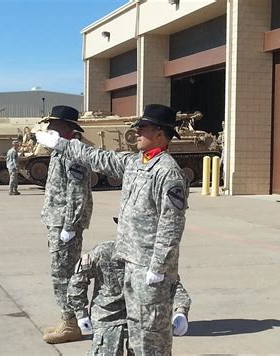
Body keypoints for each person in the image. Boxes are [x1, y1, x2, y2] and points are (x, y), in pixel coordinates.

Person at [37, 104, 189, 355]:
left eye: (144, 127)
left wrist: (159, 268)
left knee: (150, 340)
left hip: (148, 268)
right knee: (135, 333)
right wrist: (62, 144)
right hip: (129, 261)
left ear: (160, 133)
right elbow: (97, 157)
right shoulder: (135, 162)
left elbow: (171, 226)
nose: (136, 131)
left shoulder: (167, 173)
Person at [68, 239, 191, 356]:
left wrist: (181, 311)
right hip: (108, 315)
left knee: (150, 349)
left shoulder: (152, 257)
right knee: (107, 350)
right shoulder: (103, 252)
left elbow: (174, 284)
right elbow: (77, 281)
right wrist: (80, 313)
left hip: (142, 315)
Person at [40, 105, 94, 344]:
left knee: (63, 274)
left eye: (53, 124)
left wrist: (70, 226)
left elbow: (77, 192)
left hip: (65, 223)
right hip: (57, 220)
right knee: (61, 272)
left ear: (65, 126)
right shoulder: (59, 149)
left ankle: (71, 323)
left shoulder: (73, 151)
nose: (49, 127)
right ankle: (68, 318)